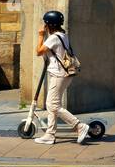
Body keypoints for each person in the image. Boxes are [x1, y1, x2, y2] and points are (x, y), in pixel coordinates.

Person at [34, 10, 90, 145]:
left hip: (59, 74)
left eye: (45, 23)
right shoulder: (62, 35)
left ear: (49, 25)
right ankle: (49, 134)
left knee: (52, 105)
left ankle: (79, 126)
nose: (44, 25)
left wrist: (41, 35)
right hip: (64, 74)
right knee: (53, 104)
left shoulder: (53, 38)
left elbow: (38, 51)